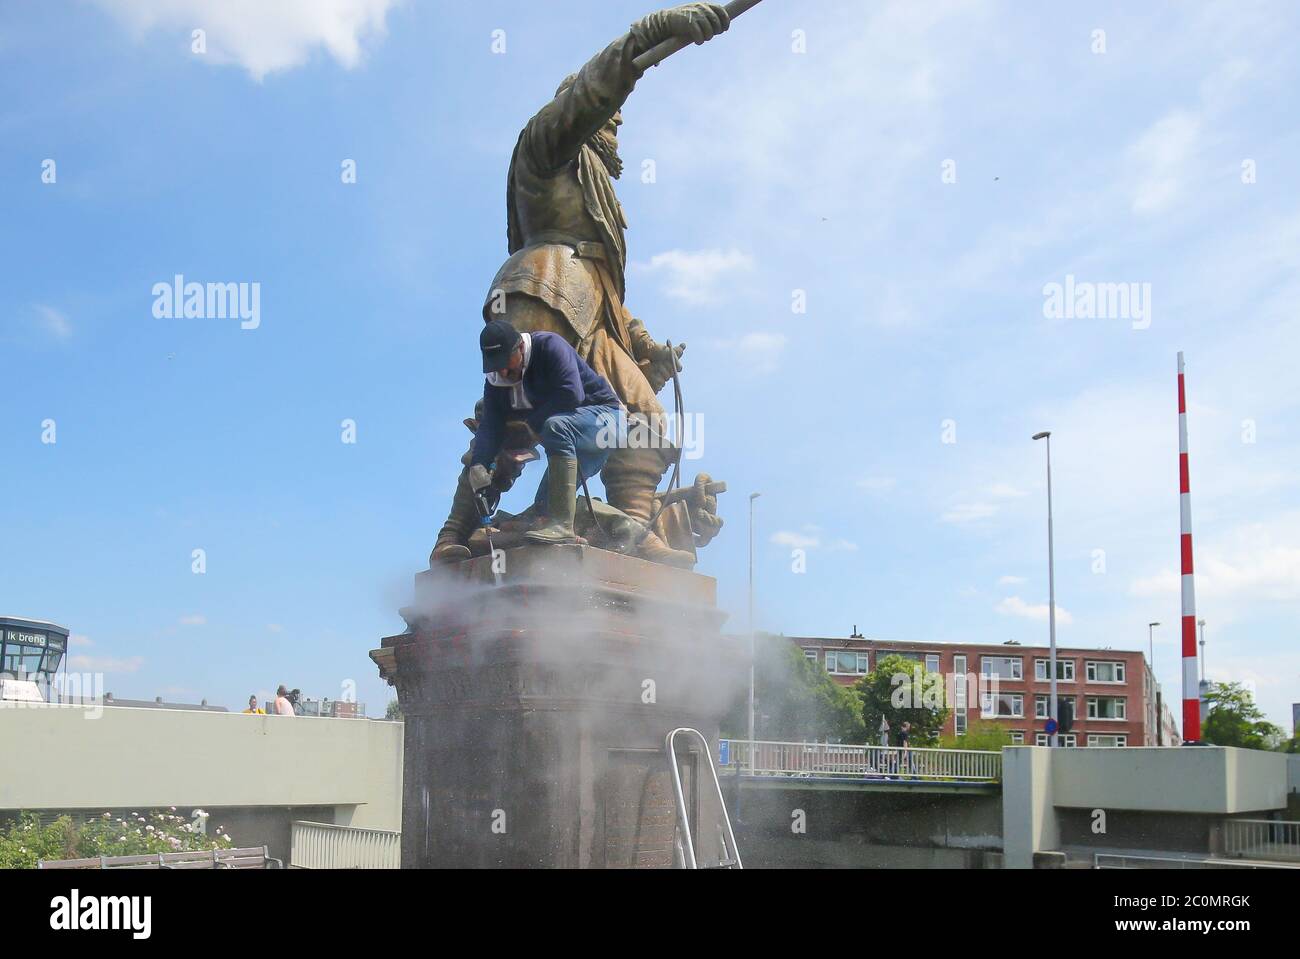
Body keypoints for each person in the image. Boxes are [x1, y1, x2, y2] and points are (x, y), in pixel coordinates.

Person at [430, 3, 732, 568]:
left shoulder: (599, 195)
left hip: (594, 311)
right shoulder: (546, 146)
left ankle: (629, 535)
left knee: (644, 421)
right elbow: (597, 90)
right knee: (514, 420)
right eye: (607, 117)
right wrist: (656, 31)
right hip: (543, 296)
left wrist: (645, 349)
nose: (614, 127)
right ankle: (454, 533)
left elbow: (609, 291)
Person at [466, 319, 625, 546]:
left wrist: (529, 426)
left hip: (607, 421)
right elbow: (491, 424)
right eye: (495, 365)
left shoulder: (549, 346)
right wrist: (479, 463)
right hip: (572, 439)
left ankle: (563, 527)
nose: (502, 371)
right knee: (544, 508)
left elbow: (570, 394)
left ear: (520, 347)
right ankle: (631, 533)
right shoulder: (496, 381)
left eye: (506, 364)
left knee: (555, 426)